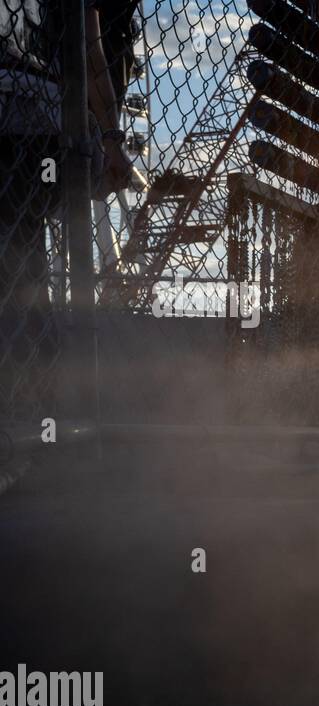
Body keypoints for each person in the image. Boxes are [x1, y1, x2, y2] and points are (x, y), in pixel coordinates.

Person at [1, 0, 136, 422]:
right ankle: (38, 423)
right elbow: (91, 47)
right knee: (23, 266)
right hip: (38, 125)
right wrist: (112, 141)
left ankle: (31, 423)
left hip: (27, 130)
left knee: (20, 265)